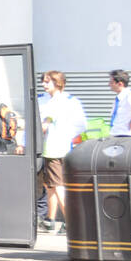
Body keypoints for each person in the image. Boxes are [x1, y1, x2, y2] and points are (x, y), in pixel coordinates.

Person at [37, 70, 86, 232]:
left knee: (58, 186)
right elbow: (81, 125)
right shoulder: (68, 100)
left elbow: (43, 125)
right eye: (43, 81)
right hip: (60, 148)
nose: (43, 84)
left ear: (57, 83)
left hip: (54, 148)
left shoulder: (60, 102)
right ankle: (50, 220)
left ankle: (72, 222)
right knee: (51, 185)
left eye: (47, 81)